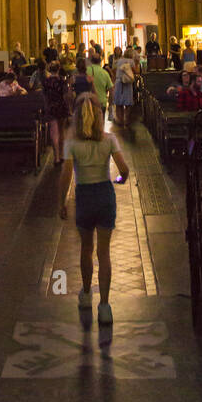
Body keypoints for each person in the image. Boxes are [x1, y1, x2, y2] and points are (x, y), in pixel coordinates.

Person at [59, 93, 130, 332]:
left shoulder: (72, 143)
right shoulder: (109, 140)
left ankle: (86, 293)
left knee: (86, 249)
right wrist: (119, 180)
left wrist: (62, 202)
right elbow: (124, 170)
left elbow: (66, 176)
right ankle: (106, 306)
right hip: (104, 194)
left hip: (85, 196)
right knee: (104, 253)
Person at [42, 60, 69, 164]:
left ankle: (56, 156)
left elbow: (44, 95)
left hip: (51, 106)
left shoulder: (46, 81)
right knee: (62, 131)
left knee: (54, 132)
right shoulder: (62, 81)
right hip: (61, 106)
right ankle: (61, 154)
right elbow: (66, 95)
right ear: (58, 69)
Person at [112, 46, 139, 129]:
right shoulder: (131, 61)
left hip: (118, 82)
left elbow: (114, 70)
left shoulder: (119, 60)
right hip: (127, 83)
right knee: (128, 103)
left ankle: (120, 120)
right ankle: (126, 119)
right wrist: (137, 63)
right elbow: (136, 71)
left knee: (119, 103)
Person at [87, 51, 113, 118]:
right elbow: (111, 90)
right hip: (101, 102)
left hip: (88, 102)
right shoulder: (105, 73)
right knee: (100, 125)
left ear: (91, 61)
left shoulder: (86, 71)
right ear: (100, 61)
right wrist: (110, 105)